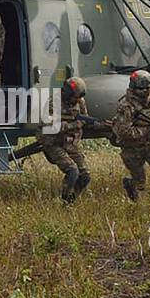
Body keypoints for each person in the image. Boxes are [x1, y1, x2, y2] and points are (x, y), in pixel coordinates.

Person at [109, 70, 150, 217]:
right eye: (141, 88)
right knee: (140, 183)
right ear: (133, 87)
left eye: (148, 87)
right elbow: (123, 132)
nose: (145, 91)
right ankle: (130, 185)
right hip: (132, 150)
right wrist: (147, 131)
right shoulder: (125, 106)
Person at [40, 76, 91, 204]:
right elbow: (51, 127)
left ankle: (72, 199)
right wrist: (75, 125)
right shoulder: (53, 103)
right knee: (72, 171)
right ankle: (64, 199)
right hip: (52, 142)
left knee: (85, 175)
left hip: (69, 142)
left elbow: (84, 119)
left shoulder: (80, 102)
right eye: (75, 97)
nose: (77, 100)